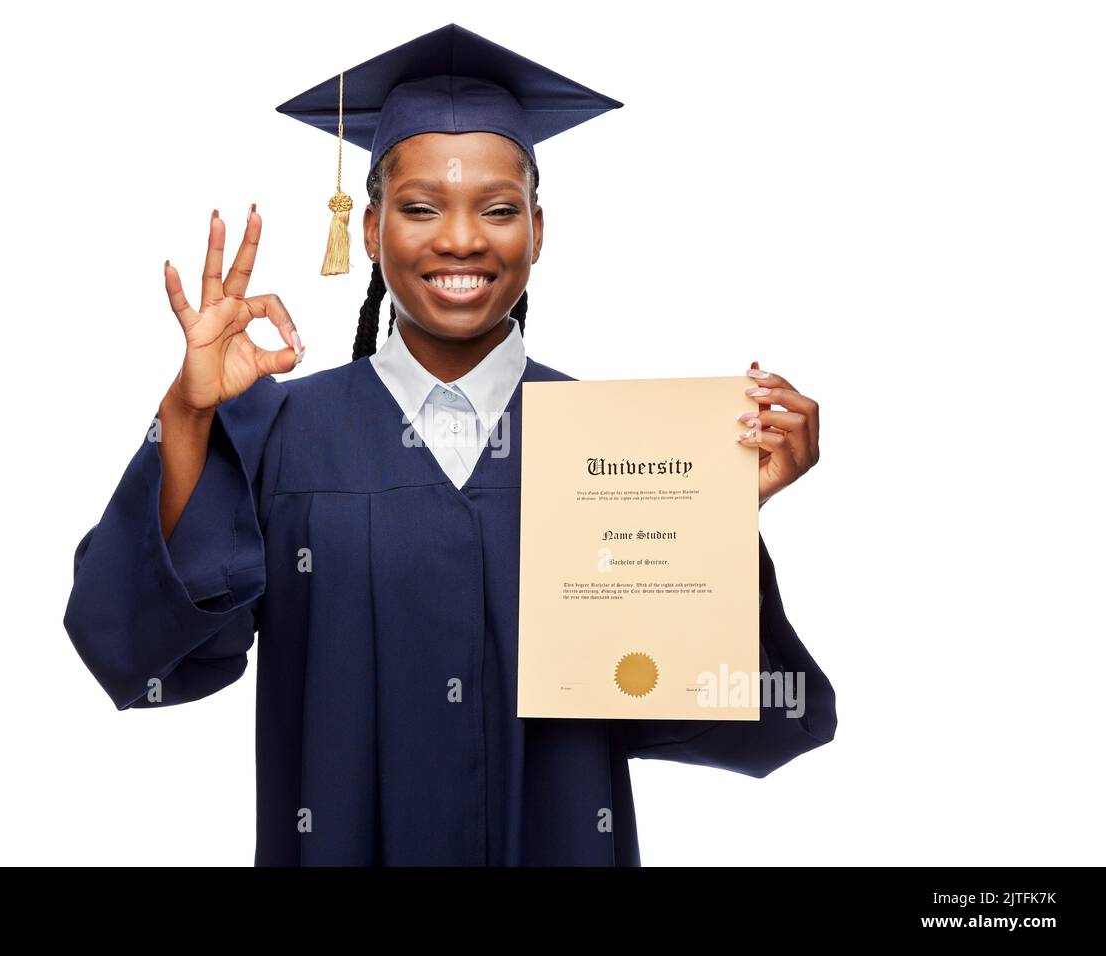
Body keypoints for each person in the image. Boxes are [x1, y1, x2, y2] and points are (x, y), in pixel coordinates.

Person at [63, 23, 836, 866]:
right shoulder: (282, 433)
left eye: (499, 210)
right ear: (369, 230)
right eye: (422, 207)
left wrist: (710, 517)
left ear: (538, 230)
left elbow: (739, 716)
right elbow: (139, 655)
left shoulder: (621, 446)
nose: (462, 239)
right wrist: (186, 415)